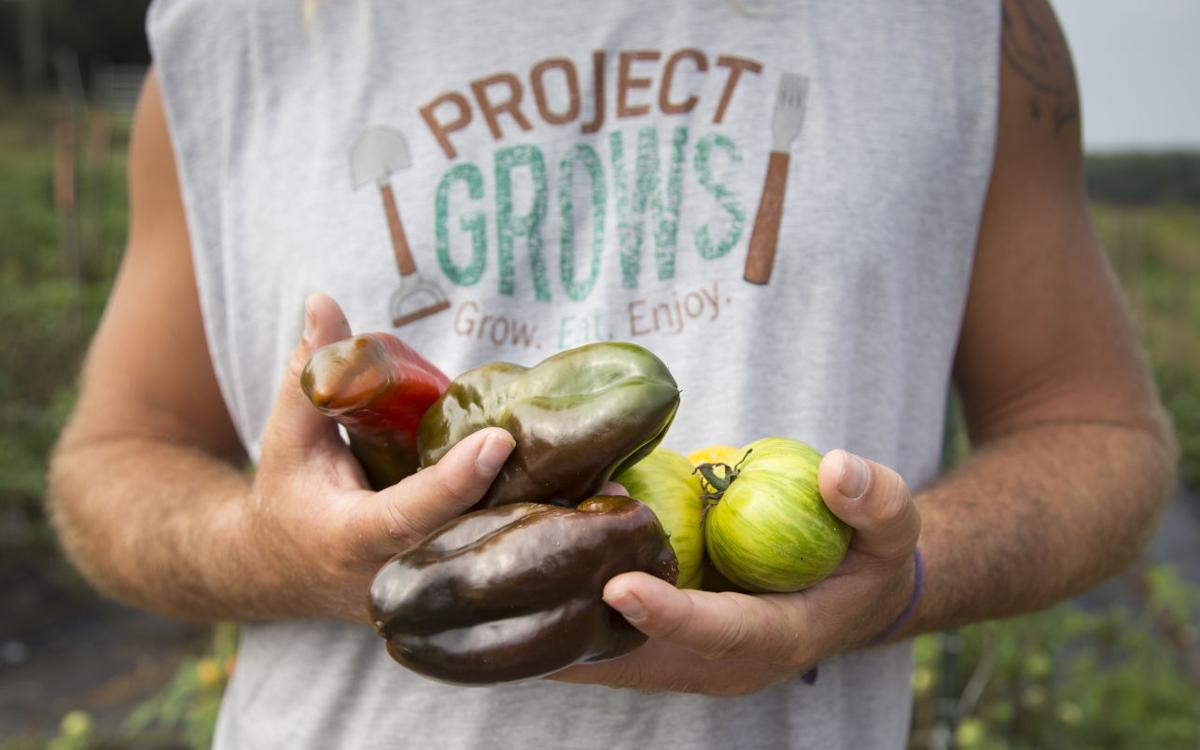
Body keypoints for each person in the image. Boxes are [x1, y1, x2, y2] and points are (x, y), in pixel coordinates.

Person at [48, 0, 1175, 747]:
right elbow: (110, 460)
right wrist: (271, 552)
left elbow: (1099, 431)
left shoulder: (968, 26)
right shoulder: (229, 36)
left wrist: (902, 582)